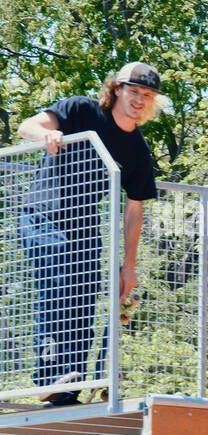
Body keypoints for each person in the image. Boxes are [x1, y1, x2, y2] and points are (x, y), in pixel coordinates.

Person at [16, 62, 162, 406]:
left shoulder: (137, 150)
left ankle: (70, 386)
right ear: (116, 90)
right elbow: (28, 125)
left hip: (83, 229)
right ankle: (48, 376)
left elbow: (135, 208)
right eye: (134, 91)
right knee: (60, 285)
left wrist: (129, 266)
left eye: (148, 95)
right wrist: (47, 135)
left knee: (85, 297)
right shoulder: (82, 110)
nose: (140, 100)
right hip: (43, 216)